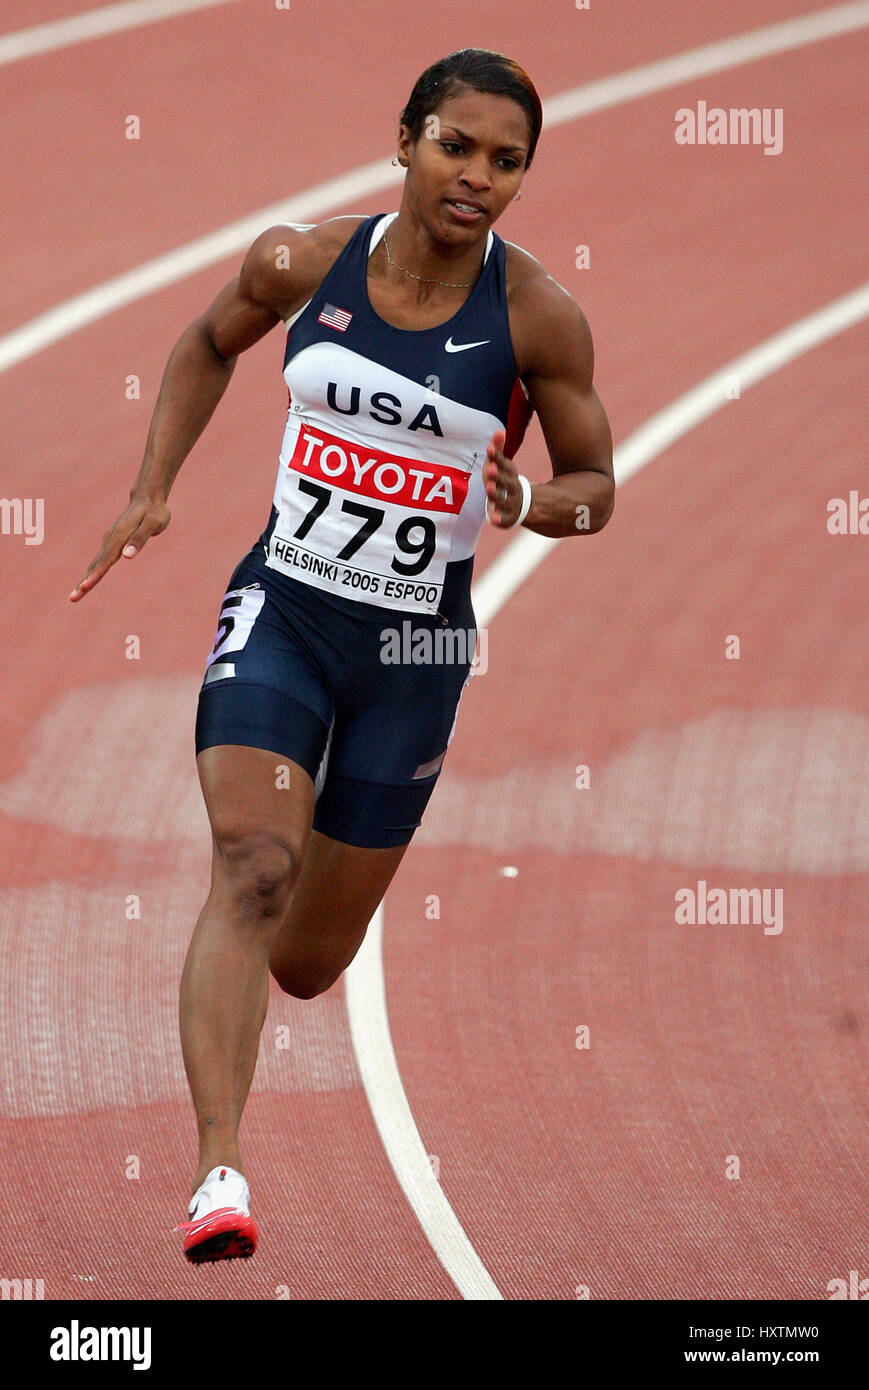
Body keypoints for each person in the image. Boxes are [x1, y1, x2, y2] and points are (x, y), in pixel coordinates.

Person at [70, 48, 614, 1264]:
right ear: (406, 141)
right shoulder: (299, 262)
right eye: (455, 145)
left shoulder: (534, 318)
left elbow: (600, 491)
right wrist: (151, 488)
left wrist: (531, 499)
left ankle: (263, 958)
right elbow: (207, 344)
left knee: (309, 962)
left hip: (415, 652)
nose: (476, 175)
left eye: (505, 160)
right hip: (286, 611)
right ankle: (219, 1170)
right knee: (251, 866)